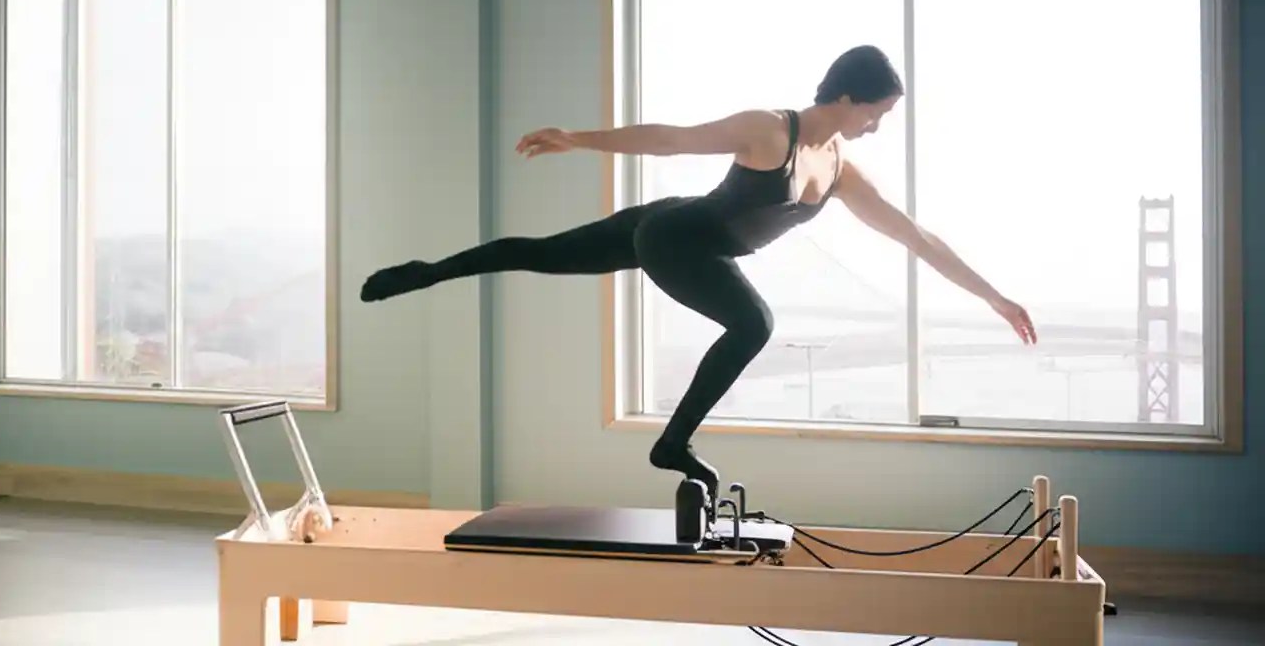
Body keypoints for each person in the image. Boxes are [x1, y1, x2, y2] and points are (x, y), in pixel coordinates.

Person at [360, 44, 1036, 501]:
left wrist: (996, 298)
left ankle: (422, 273)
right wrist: (579, 139)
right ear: (852, 96)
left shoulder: (840, 170)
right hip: (678, 235)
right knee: (752, 322)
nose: (878, 128)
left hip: (676, 231)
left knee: (542, 253)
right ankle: (672, 444)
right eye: (878, 114)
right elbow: (671, 139)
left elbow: (916, 236)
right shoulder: (771, 129)